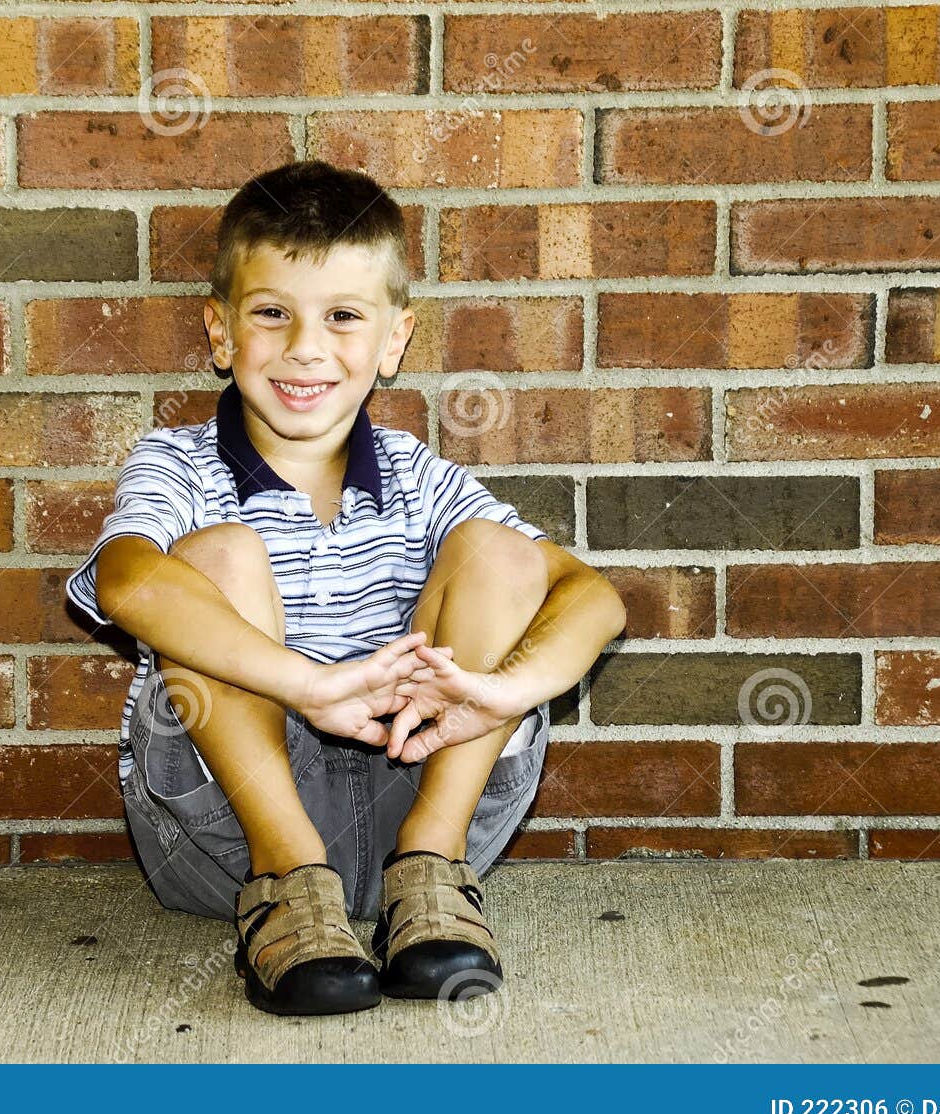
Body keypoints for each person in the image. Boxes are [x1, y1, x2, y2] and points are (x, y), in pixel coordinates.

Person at [65, 159, 626, 1017]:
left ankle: (429, 875)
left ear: (394, 339)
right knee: (216, 559)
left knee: (504, 554)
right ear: (220, 333)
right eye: (272, 314)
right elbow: (127, 582)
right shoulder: (175, 463)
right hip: (230, 828)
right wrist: (308, 686)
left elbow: (596, 600)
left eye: (343, 317)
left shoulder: (416, 475)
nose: (306, 348)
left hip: (422, 798)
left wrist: (496, 694)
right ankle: (289, 879)